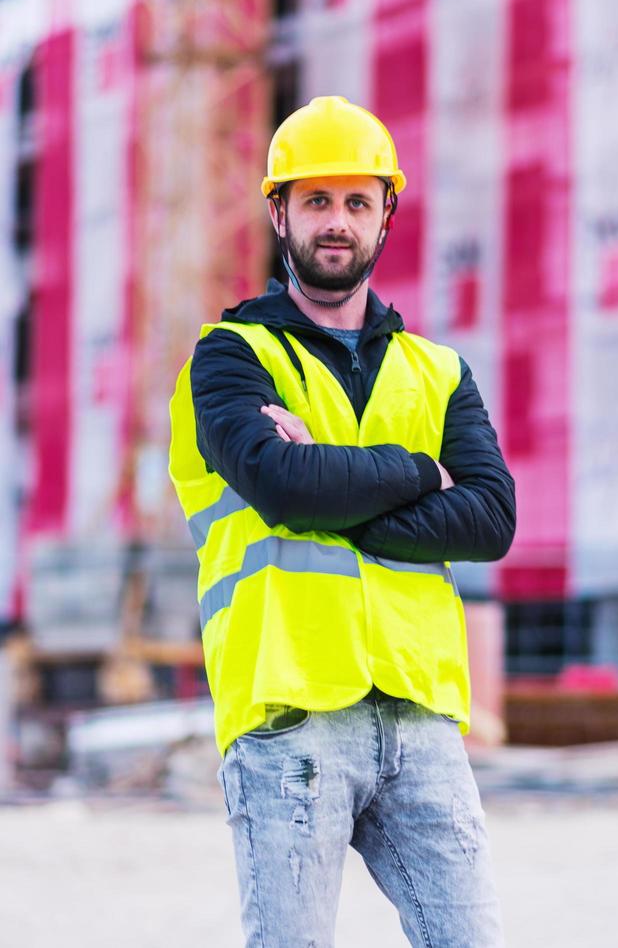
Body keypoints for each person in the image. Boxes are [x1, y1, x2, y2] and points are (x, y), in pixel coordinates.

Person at [169, 95, 515, 947]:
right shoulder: (229, 355)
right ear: (278, 210)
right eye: (316, 200)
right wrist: (416, 474)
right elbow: (281, 486)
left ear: (384, 214)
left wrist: (340, 497)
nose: (337, 222)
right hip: (289, 711)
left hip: (419, 714)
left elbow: (490, 518)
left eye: (357, 202)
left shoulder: (437, 371)